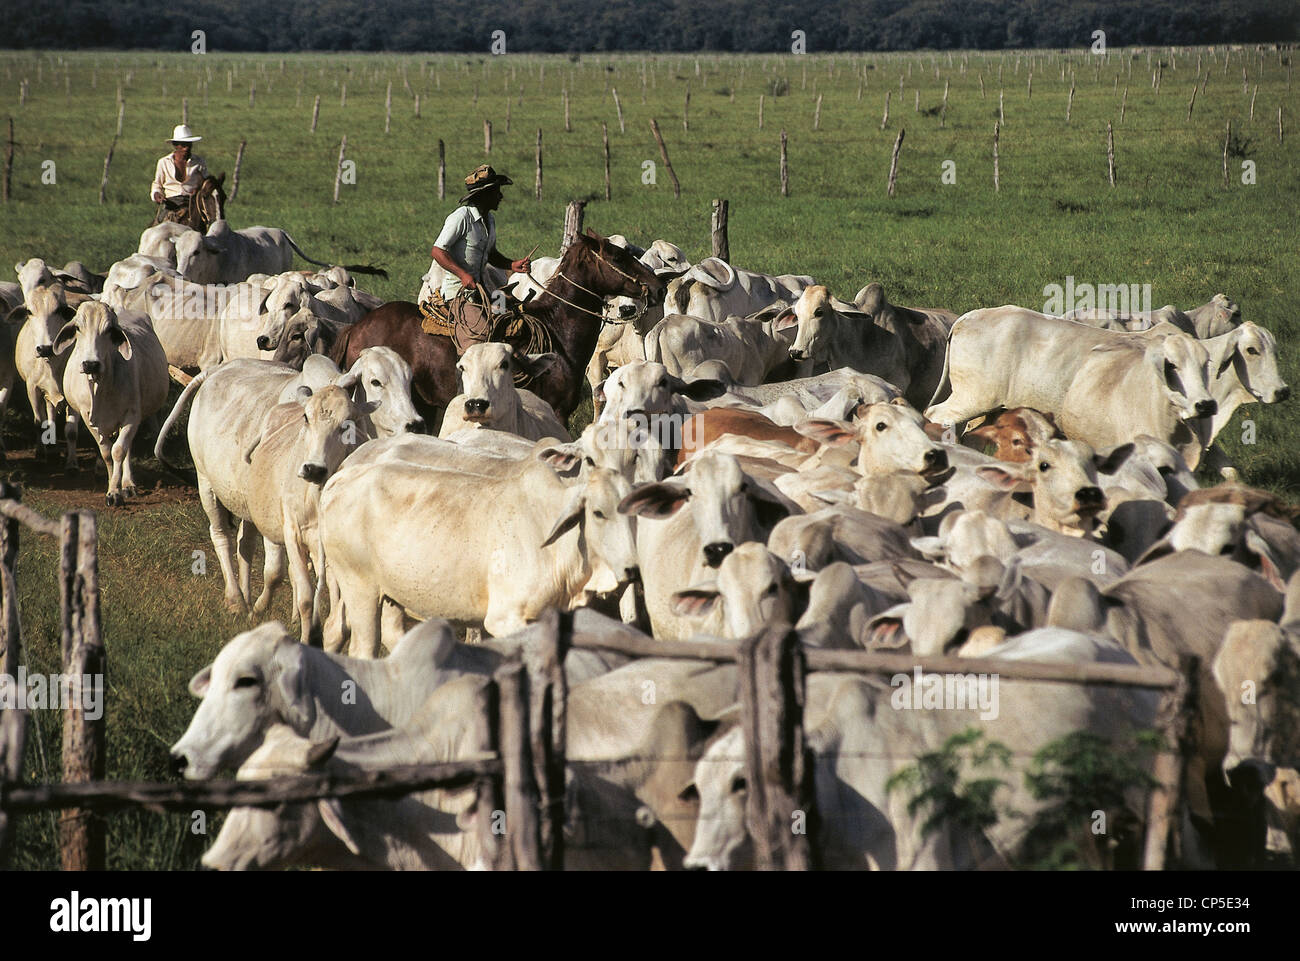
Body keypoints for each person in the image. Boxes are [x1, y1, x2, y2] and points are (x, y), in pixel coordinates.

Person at [424, 164, 531, 351]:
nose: (501, 196)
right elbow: (437, 251)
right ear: (484, 195)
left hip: (483, 290)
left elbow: (492, 254)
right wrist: (462, 275)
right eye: (497, 192)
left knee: (512, 318)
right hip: (459, 294)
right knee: (480, 335)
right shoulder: (461, 217)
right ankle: (468, 370)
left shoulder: (489, 220)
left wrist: (512, 264)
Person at [150, 124, 208, 221]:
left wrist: (198, 191)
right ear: (175, 145)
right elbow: (157, 184)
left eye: (189, 145)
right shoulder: (164, 162)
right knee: (154, 231)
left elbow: (205, 184)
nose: (186, 148)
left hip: (192, 204)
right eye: (183, 145)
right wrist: (156, 194)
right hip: (171, 204)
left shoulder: (199, 162)